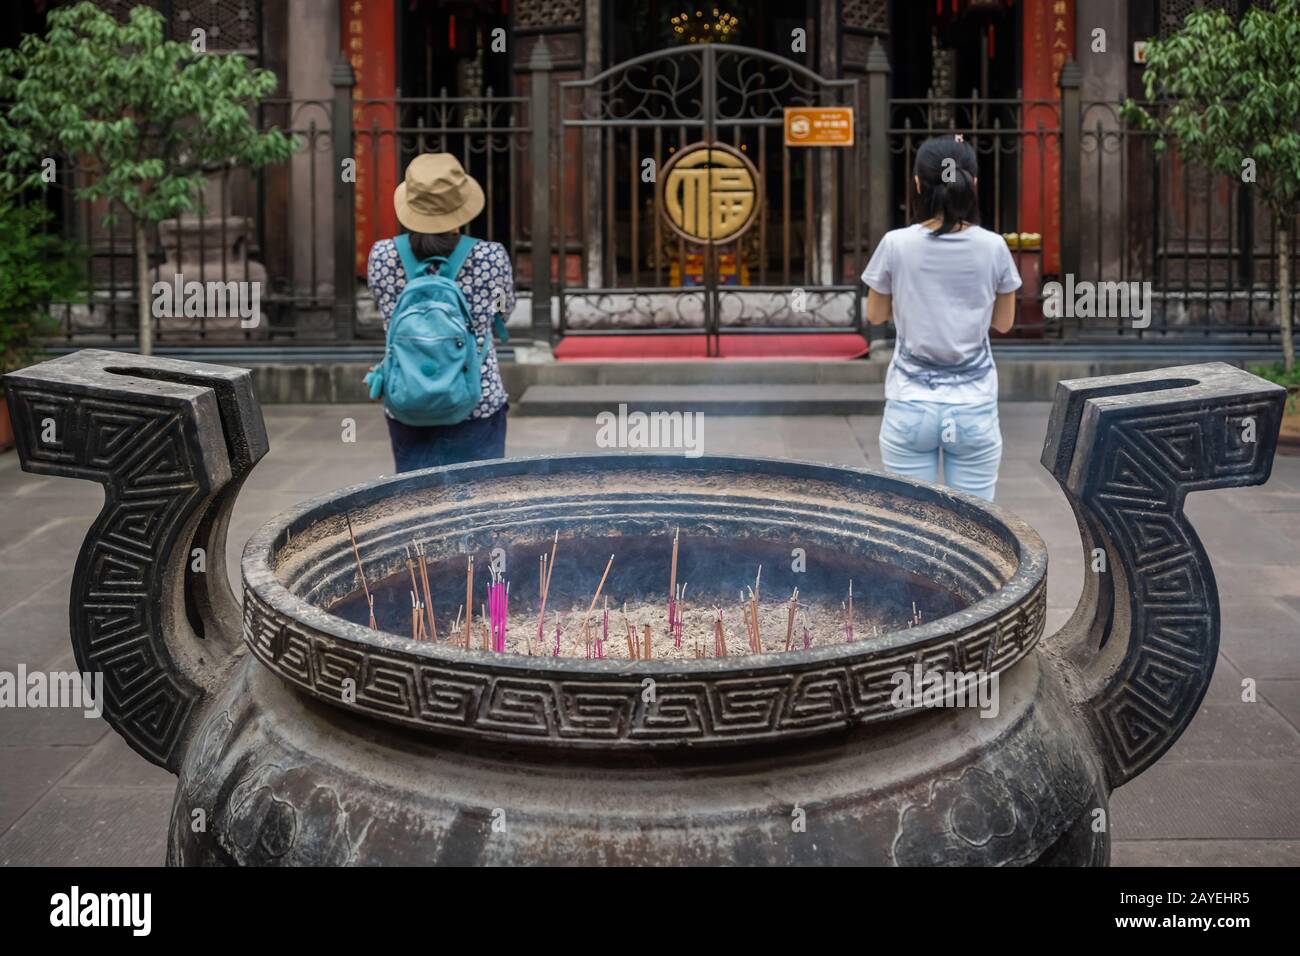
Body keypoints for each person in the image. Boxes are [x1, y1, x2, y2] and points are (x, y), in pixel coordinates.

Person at [860, 136, 1021, 501]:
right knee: (976, 524)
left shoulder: (895, 243)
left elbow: (875, 314)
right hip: (973, 407)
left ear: (918, 184)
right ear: (972, 182)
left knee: (911, 524)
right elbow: (1004, 322)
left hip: (910, 405)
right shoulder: (994, 246)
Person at [367, 153, 514, 473]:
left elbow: (383, 310)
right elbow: (504, 313)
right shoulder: (491, 256)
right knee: (480, 497)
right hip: (477, 398)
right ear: (461, 205)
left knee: (415, 497)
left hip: (408, 398)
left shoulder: (381, 256)